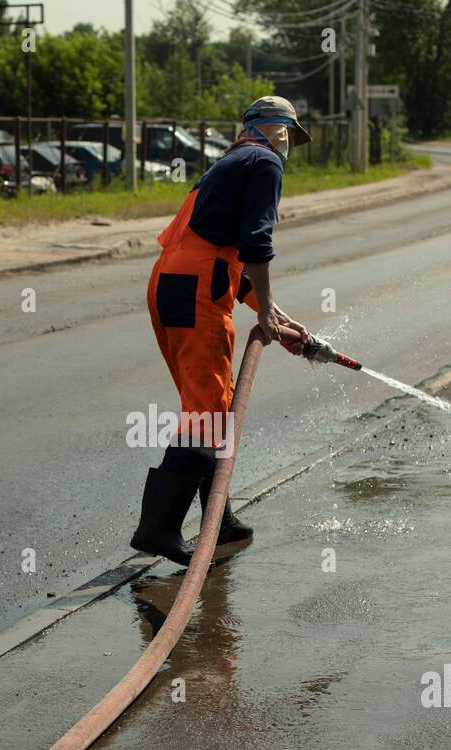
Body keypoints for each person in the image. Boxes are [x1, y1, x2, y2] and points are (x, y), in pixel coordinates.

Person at [130, 96, 312, 567]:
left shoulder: (229, 163)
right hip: (195, 289)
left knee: (216, 406)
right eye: (287, 133)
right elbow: (256, 243)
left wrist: (275, 314)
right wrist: (267, 308)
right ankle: (157, 530)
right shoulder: (266, 163)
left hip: (171, 282)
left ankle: (219, 518)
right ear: (271, 130)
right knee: (208, 412)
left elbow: (226, 260)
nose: (288, 144)